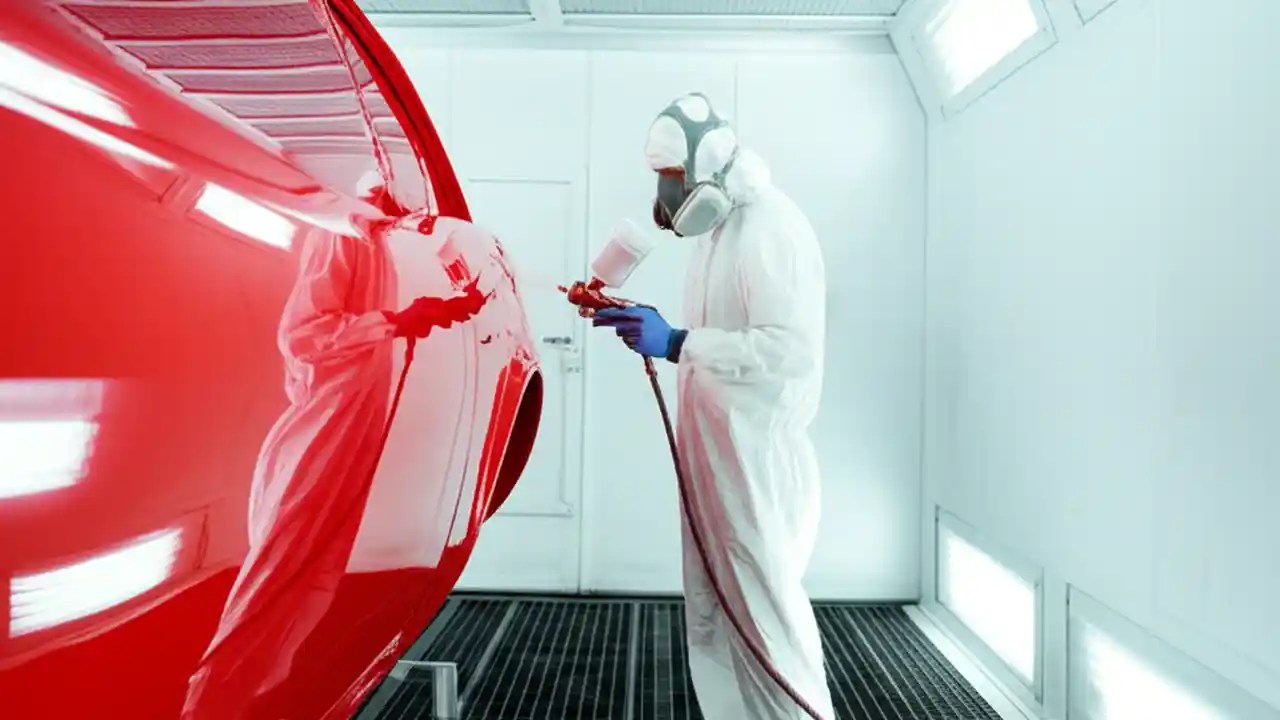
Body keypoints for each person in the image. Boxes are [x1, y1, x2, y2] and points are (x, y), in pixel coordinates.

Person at [593, 93, 834, 720]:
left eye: (671, 180)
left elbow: (790, 351)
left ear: (708, 170)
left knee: (767, 627)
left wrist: (676, 342)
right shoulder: (718, 234)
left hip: (756, 457)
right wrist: (657, 331)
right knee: (717, 619)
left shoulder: (770, 227)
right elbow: (715, 338)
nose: (665, 196)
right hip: (718, 451)